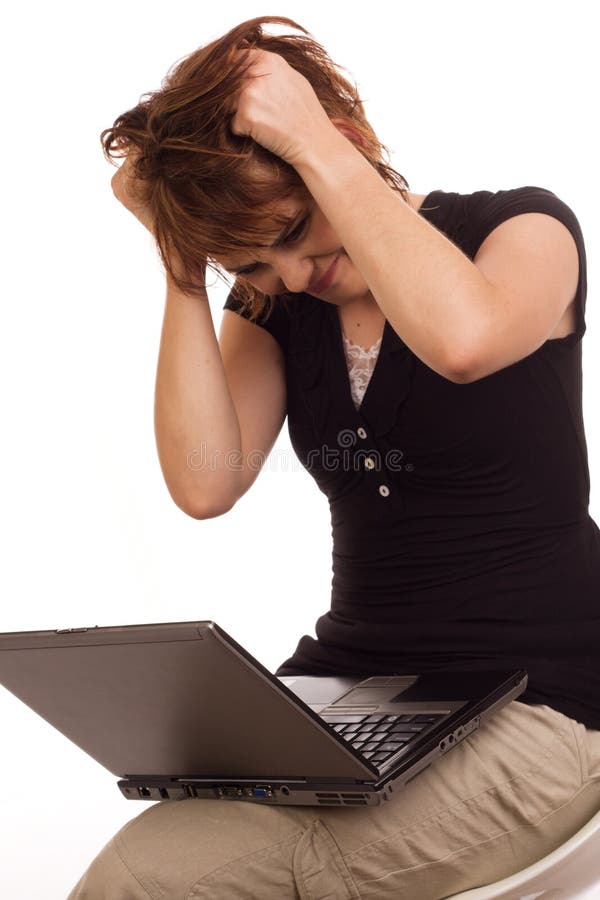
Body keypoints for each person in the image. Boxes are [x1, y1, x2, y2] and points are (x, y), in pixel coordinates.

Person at [70, 15, 600, 899]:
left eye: (291, 227)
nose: (289, 272)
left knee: (300, 873)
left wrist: (316, 140)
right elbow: (205, 480)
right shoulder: (277, 306)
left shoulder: (522, 230)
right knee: (136, 869)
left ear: (341, 142)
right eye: (252, 259)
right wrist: (181, 256)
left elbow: (463, 340)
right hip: (349, 688)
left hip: (547, 690)